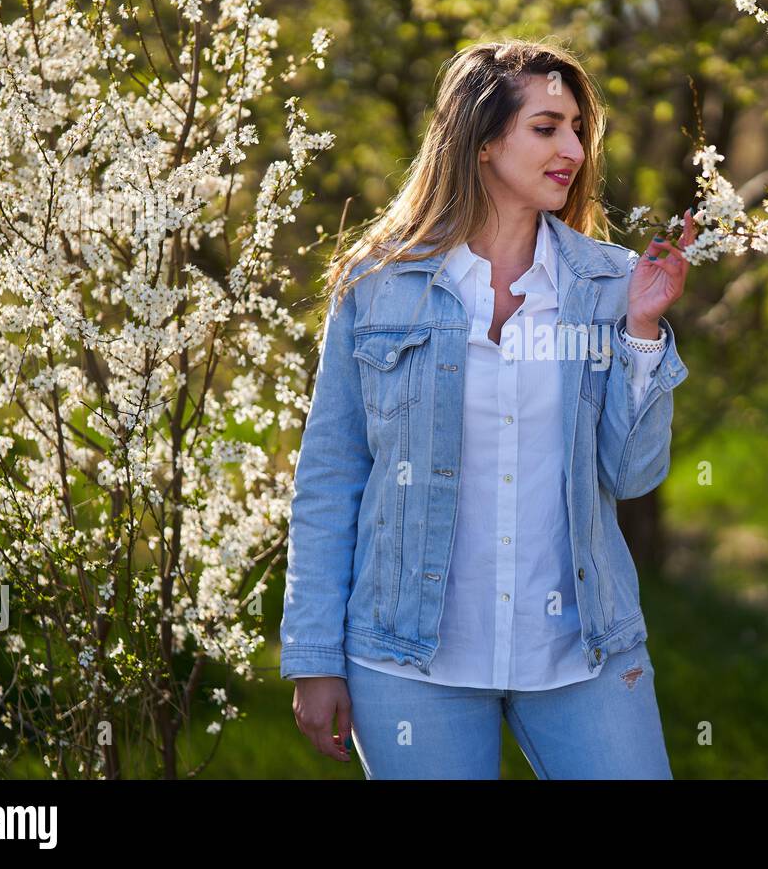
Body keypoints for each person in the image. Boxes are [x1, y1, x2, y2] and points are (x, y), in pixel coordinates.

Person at [280, 38, 696, 779]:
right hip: (409, 660)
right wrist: (314, 657)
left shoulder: (611, 285)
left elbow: (632, 475)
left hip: (582, 654)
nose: (571, 146)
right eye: (545, 127)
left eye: (577, 128)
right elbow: (330, 477)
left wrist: (640, 333)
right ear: (480, 141)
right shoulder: (378, 285)